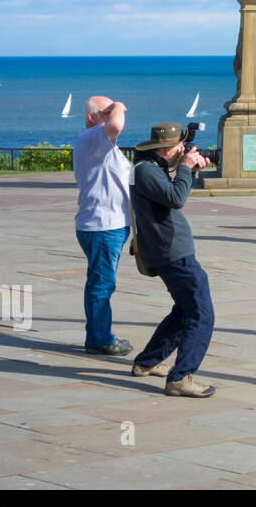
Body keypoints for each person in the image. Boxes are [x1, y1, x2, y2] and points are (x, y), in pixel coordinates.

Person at [129, 123, 217, 398]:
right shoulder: (145, 171)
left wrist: (189, 171)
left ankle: (147, 361)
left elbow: (170, 196)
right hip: (171, 251)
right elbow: (176, 198)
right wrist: (185, 168)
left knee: (183, 310)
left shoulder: (150, 169)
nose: (183, 149)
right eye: (180, 145)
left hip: (168, 248)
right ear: (166, 148)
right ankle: (181, 377)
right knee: (201, 312)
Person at [72, 96, 132, 356]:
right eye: (105, 112)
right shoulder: (94, 138)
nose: (111, 115)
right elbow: (116, 125)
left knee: (102, 282)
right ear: (91, 117)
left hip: (107, 225)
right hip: (102, 226)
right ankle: (99, 339)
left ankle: (100, 334)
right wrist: (118, 105)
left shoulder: (100, 142)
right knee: (101, 284)